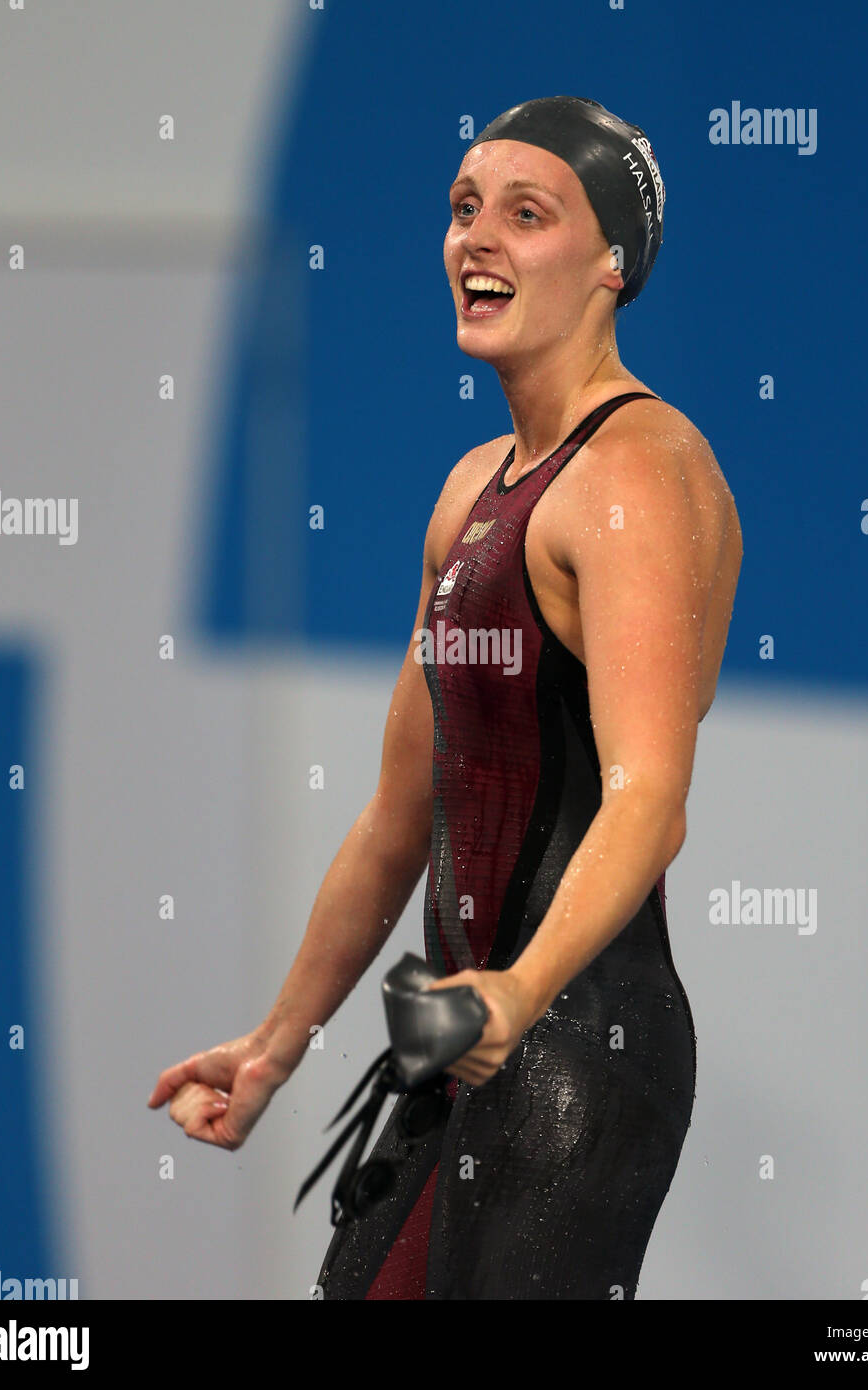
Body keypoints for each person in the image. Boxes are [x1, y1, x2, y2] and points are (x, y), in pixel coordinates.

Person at [149, 96, 742, 1300]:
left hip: (578, 1048)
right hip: (452, 1047)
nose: (477, 239)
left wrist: (518, 994)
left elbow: (649, 796)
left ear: (611, 264)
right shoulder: (473, 490)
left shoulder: (638, 474)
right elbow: (392, 823)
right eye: (465, 209)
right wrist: (275, 1047)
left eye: (527, 216)